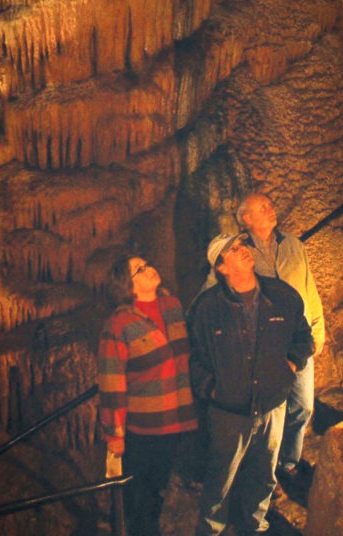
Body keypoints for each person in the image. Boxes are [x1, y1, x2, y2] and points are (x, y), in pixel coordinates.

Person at [189, 234, 314, 536]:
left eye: (242, 245)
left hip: (272, 405)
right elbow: (194, 357)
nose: (243, 250)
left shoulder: (282, 295)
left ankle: (255, 527)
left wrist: (289, 367)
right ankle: (211, 531)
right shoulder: (207, 309)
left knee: (264, 476)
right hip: (228, 413)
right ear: (221, 267)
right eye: (233, 250)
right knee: (221, 480)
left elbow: (302, 337)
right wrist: (213, 389)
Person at [98, 254, 198, 536]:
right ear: (127, 285)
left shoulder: (172, 306)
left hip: (176, 417)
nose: (150, 269)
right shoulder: (119, 324)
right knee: (137, 494)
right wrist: (115, 434)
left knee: (158, 487)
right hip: (142, 425)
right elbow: (112, 381)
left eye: (147, 264)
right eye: (140, 269)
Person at [235, 193, 325, 482]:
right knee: (271, 410)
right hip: (266, 344)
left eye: (270, 205)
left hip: (299, 338)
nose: (271, 209)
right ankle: (264, 469)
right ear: (246, 218)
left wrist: (318, 329)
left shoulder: (293, 244)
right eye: (262, 208)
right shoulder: (239, 251)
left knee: (304, 405)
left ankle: (288, 461)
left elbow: (309, 287)